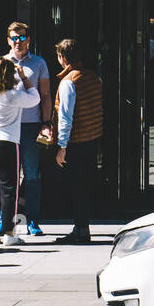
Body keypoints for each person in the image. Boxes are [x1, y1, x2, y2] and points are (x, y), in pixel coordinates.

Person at [0, 57, 40, 246]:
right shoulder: (12, 95)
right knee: (9, 190)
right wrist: (25, 78)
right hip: (7, 143)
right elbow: (35, 98)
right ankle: (10, 234)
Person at [2, 21, 52, 236]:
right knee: (8, 176)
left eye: (22, 37)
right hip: (8, 126)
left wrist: (47, 123)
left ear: (28, 40)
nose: (18, 42)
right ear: (8, 40)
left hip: (31, 125)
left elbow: (46, 95)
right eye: (14, 38)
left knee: (31, 174)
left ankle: (33, 220)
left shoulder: (39, 63)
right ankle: (6, 222)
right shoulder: (2, 63)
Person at [52, 38, 103, 245]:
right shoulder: (92, 77)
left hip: (76, 142)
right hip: (92, 138)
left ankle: (80, 229)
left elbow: (65, 117)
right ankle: (82, 227)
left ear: (62, 58)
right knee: (84, 185)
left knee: (76, 187)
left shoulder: (68, 83)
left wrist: (61, 146)